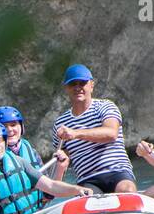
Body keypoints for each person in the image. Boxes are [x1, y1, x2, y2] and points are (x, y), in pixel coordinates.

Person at [51, 64, 138, 193]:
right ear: (66, 88)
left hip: (117, 171)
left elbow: (111, 133)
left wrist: (75, 133)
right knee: (86, 200)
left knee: (127, 189)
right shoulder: (60, 124)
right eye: (73, 84)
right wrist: (61, 162)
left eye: (82, 83)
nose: (78, 88)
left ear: (91, 85)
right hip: (88, 179)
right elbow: (62, 162)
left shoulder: (105, 106)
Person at [0, 106, 42, 171]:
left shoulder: (32, 152)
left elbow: (46, 178)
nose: (9, 129)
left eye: (13, 125)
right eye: (3, 127)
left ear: (21, 127)